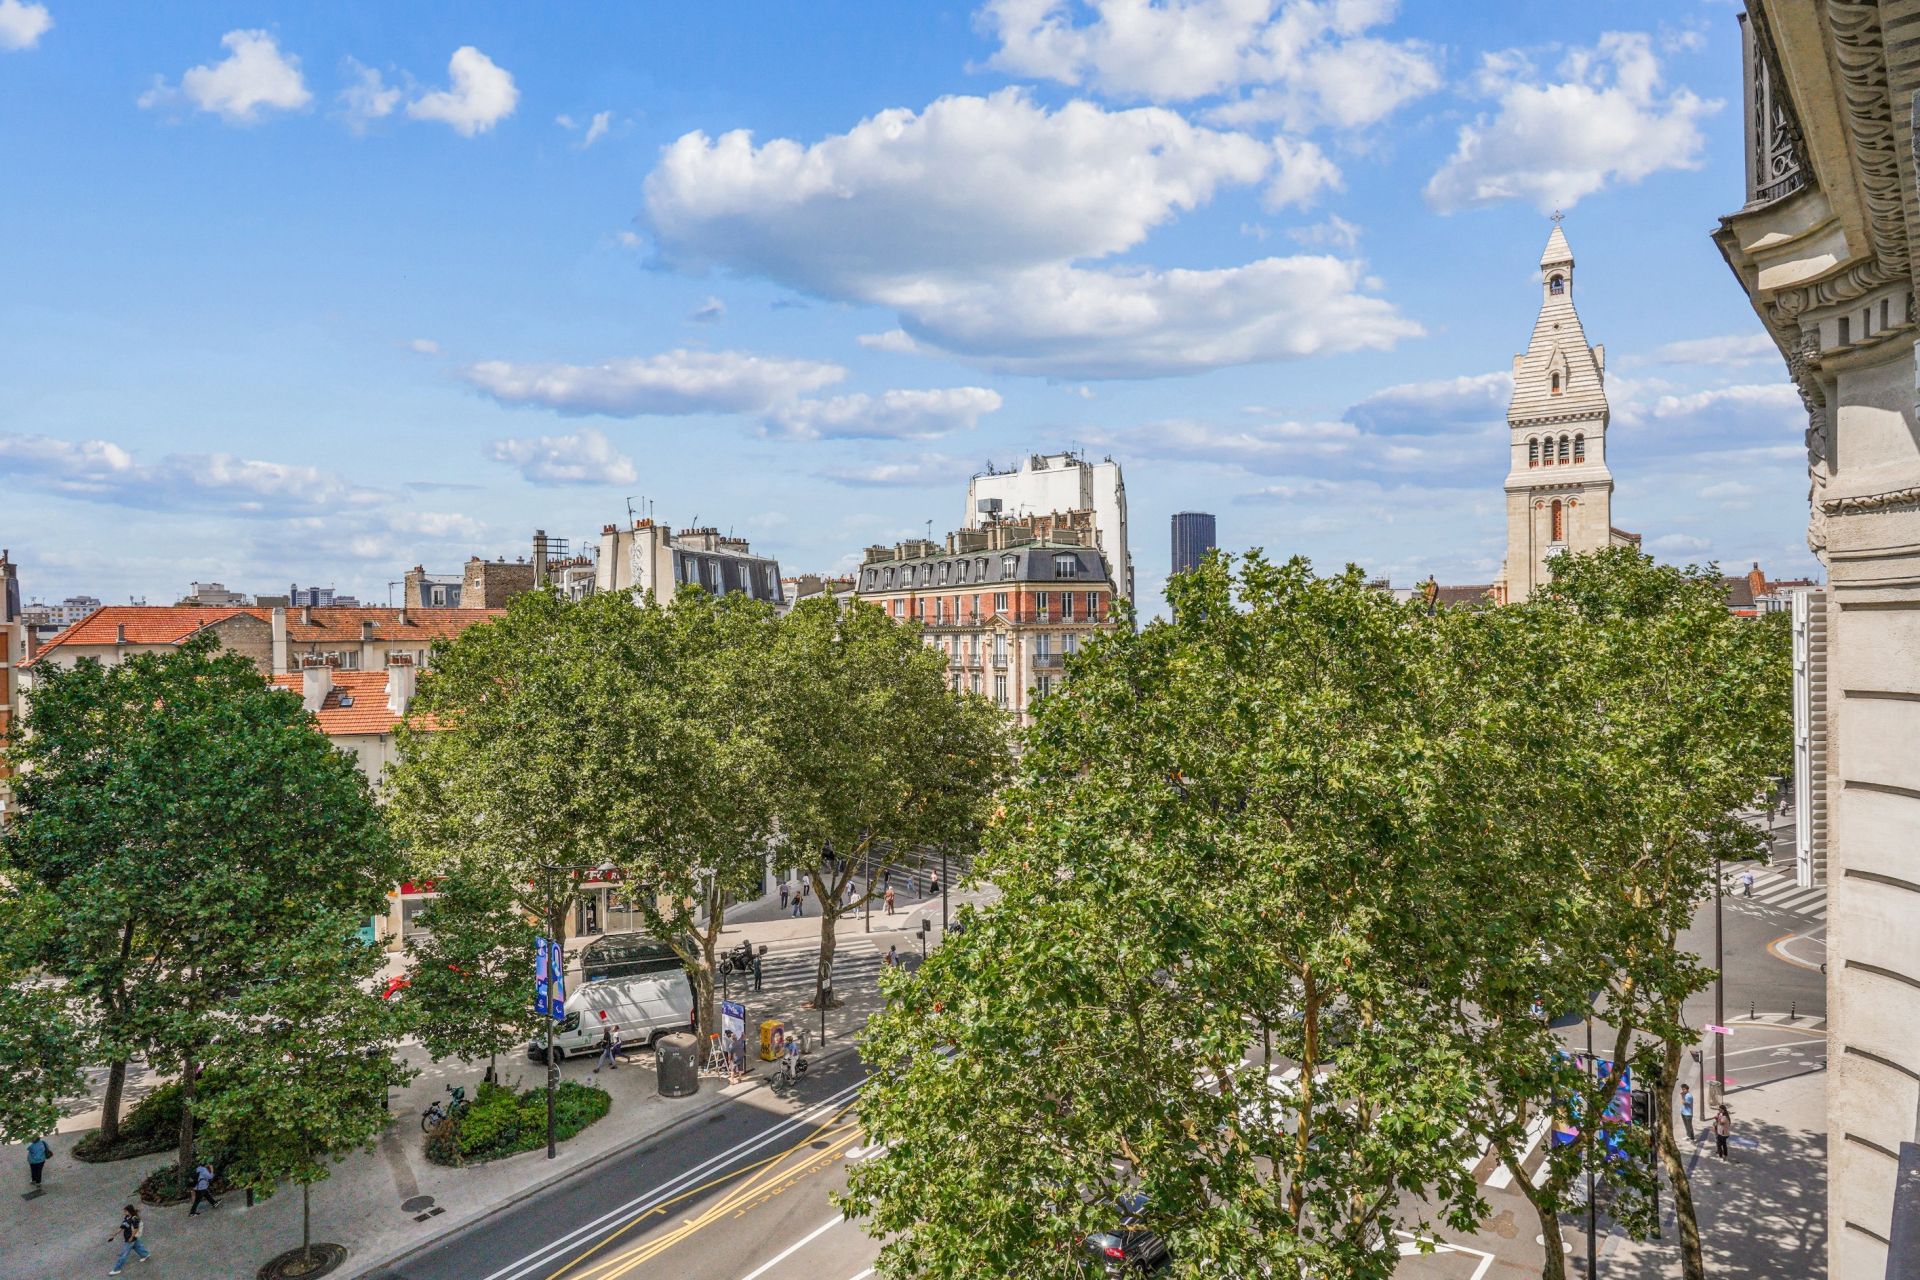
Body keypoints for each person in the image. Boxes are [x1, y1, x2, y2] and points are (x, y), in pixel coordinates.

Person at [110, 1204, 150, 1273]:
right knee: (137, 1246)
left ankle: (116, 1269)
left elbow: (136, 1229)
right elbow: (122, 1227)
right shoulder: (126, 1217)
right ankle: (145, 1255)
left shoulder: (134, 1219)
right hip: (129, 1238)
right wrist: (114, 1235)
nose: (124, 1212)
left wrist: (131, 1237)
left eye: (125, 1211)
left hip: (130, 1239)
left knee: (123, 1254)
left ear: (129, 1211)